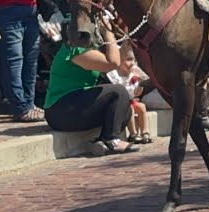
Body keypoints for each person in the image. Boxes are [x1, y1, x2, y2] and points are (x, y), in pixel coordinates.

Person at [42, 9, 139, 155]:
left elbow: (117, 62)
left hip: (75, 106)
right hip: (60, 110)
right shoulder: (75, 50)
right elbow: (113, 62)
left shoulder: (86, 49)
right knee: (118, 92)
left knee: (124, 111)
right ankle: (111, 140)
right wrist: (108, 32)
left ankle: (98, 142)